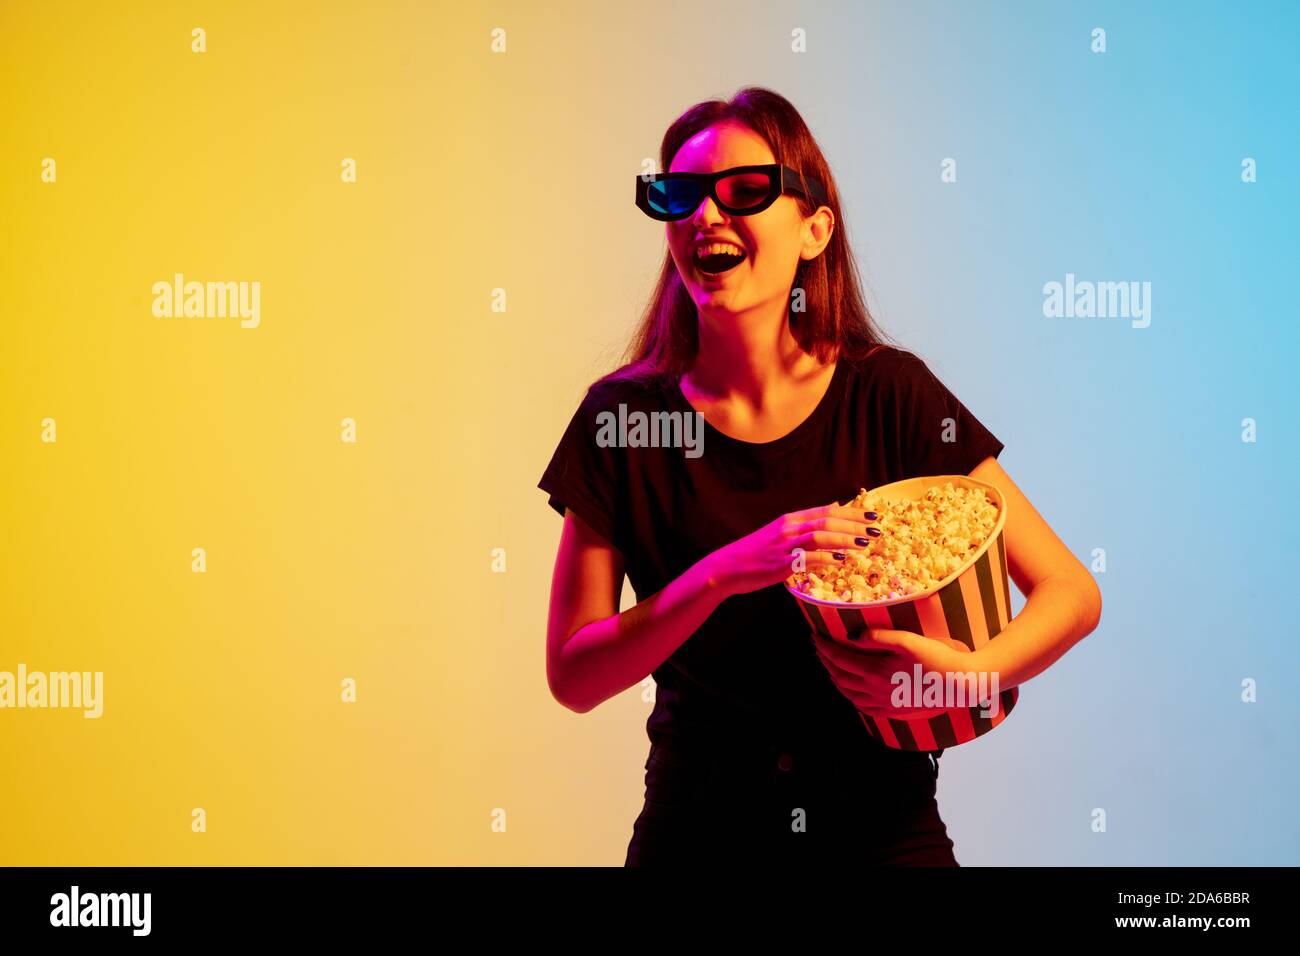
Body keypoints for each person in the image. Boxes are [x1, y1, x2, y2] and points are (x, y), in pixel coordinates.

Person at [538, 87, 1103, 867]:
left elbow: (1073, 593)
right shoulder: (622, 419)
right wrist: (725, 572)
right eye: (681, 195)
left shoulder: (891, 395)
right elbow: (573, 672)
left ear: (814, 229)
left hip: (883, 835)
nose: (705, 216)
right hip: (696, 837)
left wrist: (970, 674)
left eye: (744, 191)